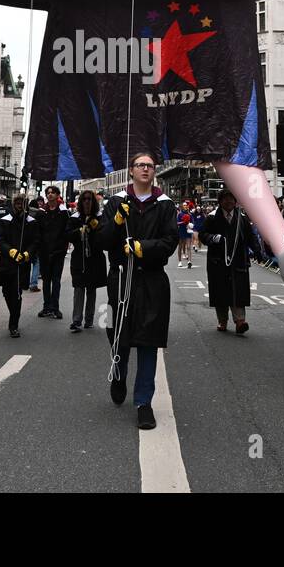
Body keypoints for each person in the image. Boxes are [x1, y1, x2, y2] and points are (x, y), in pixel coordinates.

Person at [101, 153, 178, 430]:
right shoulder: (116, 202)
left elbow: (170, 241)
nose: (146, 169)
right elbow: (103, 240)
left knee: (148, 341)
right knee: (118, 333)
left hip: (152, 280)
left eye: (150, 166)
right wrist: (117, 223)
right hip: (121, 279)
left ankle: (143, 402)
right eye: (140, 165)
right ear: (131, 171)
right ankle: (119, 373)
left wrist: (143, 248)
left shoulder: (165, 205)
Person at [199, 189, 253, 333]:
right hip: (218, 261)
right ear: (220, 201)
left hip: (238, 261)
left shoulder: (242, 219)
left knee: (238, 291)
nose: (229, 201)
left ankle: (240, 321)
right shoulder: (211, 218)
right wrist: (213, 238)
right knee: (220, 291)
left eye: (231, 198)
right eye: (225, 199)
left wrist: (259, 253)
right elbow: (203, 235)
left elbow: (250, 237)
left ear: (235, 201)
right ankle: (222, 321)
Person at [0, 193, 39, 338]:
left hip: (22, 264)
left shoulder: (31, 222)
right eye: (18, 203)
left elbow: (35, 241)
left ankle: (13, 324)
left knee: (18, 293)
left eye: (22, 203)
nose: (20, 206)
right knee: (7, 292)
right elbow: (0, 240)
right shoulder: (4, 221)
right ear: (14, 204)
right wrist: (11, 251)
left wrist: (28, 253)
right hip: (7, 262)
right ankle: (13, 313)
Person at [68, 190, 107, 332]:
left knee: (91, 288)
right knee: (79, 288)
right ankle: (76, 320)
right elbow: (67, 235)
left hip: (94, 259)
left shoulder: (100, 217)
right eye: (84, 199)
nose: (86, 202)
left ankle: (89, 319)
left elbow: (104, 237)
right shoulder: (75, 218)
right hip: (79, 259)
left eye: (89, 199)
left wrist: (95, 226)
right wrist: (79, 231)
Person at [35, 185, 71, 318]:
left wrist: (63, 247)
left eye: (52, 193)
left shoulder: (64, 212)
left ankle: (55, 307)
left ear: (57, 195)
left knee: (56, 280)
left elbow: (67, 231)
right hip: (44, 252)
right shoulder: (41, 212)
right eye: (48, 193)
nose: (50, 195)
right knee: (46, 281)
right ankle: (46, 306)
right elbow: (37, 232)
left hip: (58, 252)